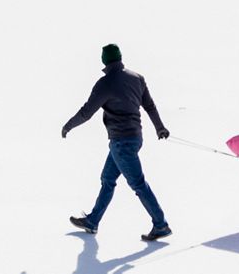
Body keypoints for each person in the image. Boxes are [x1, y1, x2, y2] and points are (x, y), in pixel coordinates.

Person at [62, 44, 171, 241]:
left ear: (104, 61)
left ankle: (161, 224)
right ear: (120, 58)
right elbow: (149, 106)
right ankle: (93, 221)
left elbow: (87, 112)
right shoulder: (137, 78)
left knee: (138, 184)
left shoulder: (105, 83)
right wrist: (159, 127)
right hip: (134, 138)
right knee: (107, 179)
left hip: (122, 143)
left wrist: (68, 126)